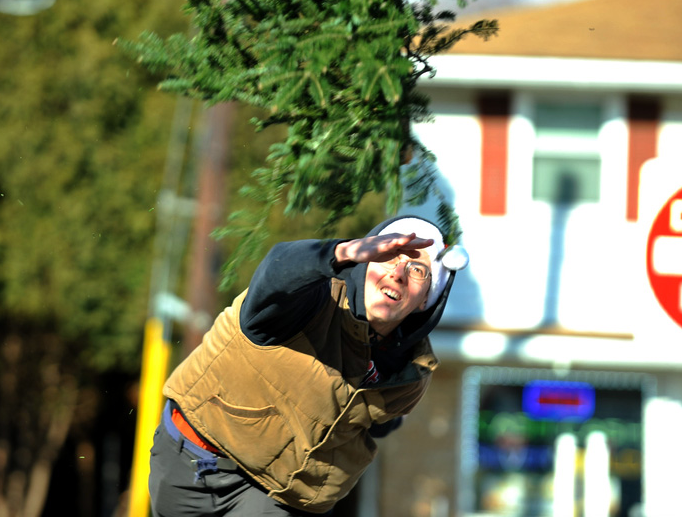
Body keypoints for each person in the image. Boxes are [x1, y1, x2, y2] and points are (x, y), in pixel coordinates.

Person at [148, 215, 467, 516]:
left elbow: (381, 424)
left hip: (279, 499)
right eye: (388, 256)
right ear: (365, 261)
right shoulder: (313, 297)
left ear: (426, 297)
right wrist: (342, 251)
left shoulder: (409, 372)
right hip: (192, 461)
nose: (397, 273)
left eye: (417, 270)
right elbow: (277, 268)